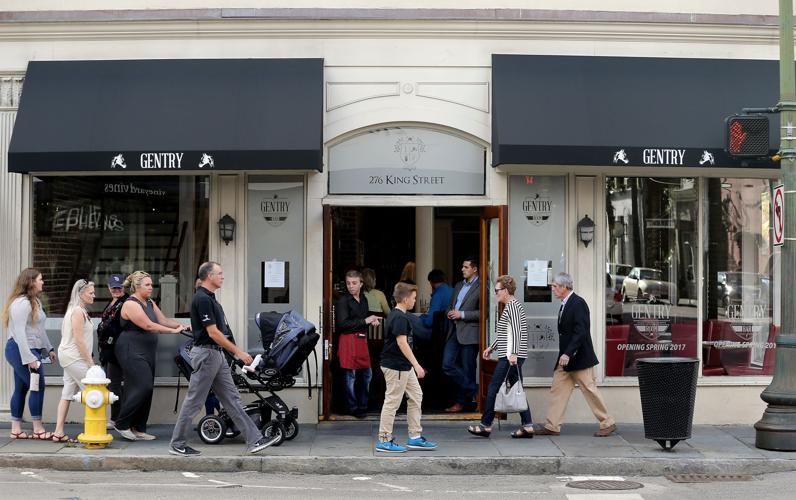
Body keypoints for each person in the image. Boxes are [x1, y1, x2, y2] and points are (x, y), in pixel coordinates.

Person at [170, 261, 278, 456]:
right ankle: (177, 443)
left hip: (216, 354)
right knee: (194, 401)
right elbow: (213, 333)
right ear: (209, 276)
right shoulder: (202, 299)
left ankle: (254, 440)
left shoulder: (210, 299)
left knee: (232, 399)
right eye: (219, 273)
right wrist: (238, 352)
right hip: (207, 354)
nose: (223, 276)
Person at [537, 272, 617, 437]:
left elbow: (581, 332)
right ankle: (552, 426)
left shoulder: (578, 303)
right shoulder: (565, 303)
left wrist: (568, 353)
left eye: (555, 286)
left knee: (589, 390)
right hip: (565, 360)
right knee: (557, 390)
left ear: (564, 287)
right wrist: (565, 355)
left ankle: (608, 423)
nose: (552, 289)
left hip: (579, 358)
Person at [115, 271, 186, 441]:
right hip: (131, 349)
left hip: (147, 350)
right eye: (147, 285)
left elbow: (163, 321)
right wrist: (172, 332)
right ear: (137, 287)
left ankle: (138, 428)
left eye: (151, 284)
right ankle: (122, 423)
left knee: (145, 388)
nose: (151, 287)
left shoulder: (149, 302)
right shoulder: (131, 304)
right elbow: (148, 325)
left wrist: (182, 326)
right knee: (143, 386)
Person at [467, 275, 533, 438]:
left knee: (493, 388)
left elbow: (517, 332)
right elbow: (505, 333)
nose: (495, 293)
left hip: (510, 356)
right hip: (510, 355)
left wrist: (514, 354)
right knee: (517, 388)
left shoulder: (513, 307)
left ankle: (485, 425)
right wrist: (492, 347)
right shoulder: (510, 306)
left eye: (497, 290)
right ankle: (528, 426)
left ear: (506, 290)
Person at [376, 282, 437, 453]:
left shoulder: (399, 315)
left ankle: (415, 436)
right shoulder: (399, 317)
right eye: (414, 298)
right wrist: (417, 365)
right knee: (392, 402)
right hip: (396, 366)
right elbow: (402, 343)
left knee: (416, 396)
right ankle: (384, 440)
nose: (415, 301)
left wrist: (412, 365)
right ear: (405, 299)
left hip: (403, 366)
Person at [2, 268, 55, 440]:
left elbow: (39, 329)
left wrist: (49, 348)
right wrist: (29, 358)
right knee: (37, 386)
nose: (42, 282)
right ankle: (38, 429)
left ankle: (16, 429)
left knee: (22, 387)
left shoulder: (35, 301)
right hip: (19, 349)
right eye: (40, 279)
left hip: (30, 350)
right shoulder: (21, 303)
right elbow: (19, 333)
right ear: (31, 282)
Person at [53, 279, 97, 443]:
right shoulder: (77, 311)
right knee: (94, 392)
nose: (94, 295)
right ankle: (93, 432)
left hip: (69, 357)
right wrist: (90, 362)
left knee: (67, 393)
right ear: (81, 294)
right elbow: (79, 340)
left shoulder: (75, 310)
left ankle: (58, 432)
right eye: (91, 293)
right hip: (74, 358)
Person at [335, 269, 381, 418]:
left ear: (361, 283)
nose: (351, 286)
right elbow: (342, 325)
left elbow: (361, 320)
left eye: (354, 283)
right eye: (348, 283)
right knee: (350, 376)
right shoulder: (343, 301)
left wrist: (371, 320)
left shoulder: (364, 299)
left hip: (361, 340)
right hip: (348, 340)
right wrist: (365, 321)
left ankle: (363, 405)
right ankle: (352, 407)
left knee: (367, 374)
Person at [443, 256, 480, 413]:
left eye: (466, 267)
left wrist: (462, 314)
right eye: (463, 267)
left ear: (474, 269)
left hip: (470, 333)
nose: (462, 269)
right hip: (454, 330)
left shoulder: (482, 286)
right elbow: (450, 306)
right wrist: (449, 312)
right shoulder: (458, 285)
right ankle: (475, 390)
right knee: (447, 364)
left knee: (468, 369)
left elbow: (484, 312)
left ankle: (460, 403)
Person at [96, 274, 128, 428]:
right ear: (109, 288)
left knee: (114, 385)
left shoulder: (126, 302)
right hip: (108, 351)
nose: (116, 290)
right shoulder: (112, 302)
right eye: (113, 287)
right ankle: (119, 417)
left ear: (124, 287)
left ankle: (117, 419)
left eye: (119, 287)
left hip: (118, 349)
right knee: (113, 385)